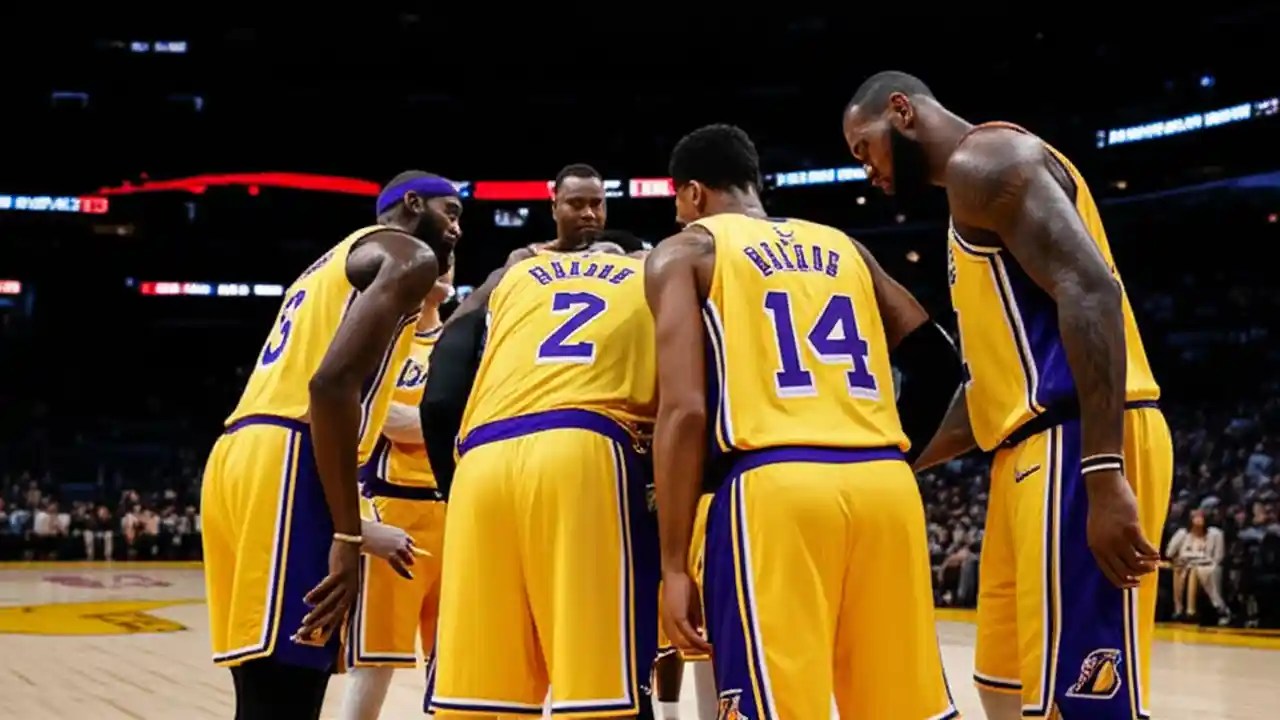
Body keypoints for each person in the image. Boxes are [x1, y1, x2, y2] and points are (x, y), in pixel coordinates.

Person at [842, 71, 1173, 720]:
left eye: (864, 147)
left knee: (1082, 700)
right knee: (1005, 687)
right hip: (1022, 454)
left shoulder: (987, 161)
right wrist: (889, 460)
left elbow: (1093, 292)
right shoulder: (968, 199)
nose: (866, 170)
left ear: (901, 111)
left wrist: (1104, 473)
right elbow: (990, 394)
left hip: (1076, 444)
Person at [645, 123, 962, 719]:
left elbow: (684, 409)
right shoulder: (844, 246)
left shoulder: (686, 251)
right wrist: (894, 455)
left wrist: (672, 565)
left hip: (776, 487)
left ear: (690, 194)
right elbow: (938, 362)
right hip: (884, 487)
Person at [200, 170, 461, 720]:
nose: (458, 230)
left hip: (241, 453)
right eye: (452, 213)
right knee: (291, 687)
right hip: (294, 450)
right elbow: (329, 385)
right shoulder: (412, 257)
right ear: (413, 205)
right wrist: (347, 532)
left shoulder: (328, 263)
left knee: (262, 682)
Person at [423, 234, 659, 719]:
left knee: (481, 701)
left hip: (480, 463)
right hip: (584, 450)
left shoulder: (512, 279)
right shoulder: (651, 276)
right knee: (600, 694)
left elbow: (440, 395)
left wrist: (454, 488)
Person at [339, 267, 454, 720]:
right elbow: (383, 418)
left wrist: (420, 422)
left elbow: (411, 419)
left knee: (454, 657)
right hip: (393, 508)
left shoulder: (466, 339)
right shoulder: (384, 341)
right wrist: (442, 422)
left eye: (451, 261)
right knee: (377, 658)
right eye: (435, 260)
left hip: (455, 512)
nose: (444, 268)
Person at [446, 163, 607, 322]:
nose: (588, 214)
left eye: (596, 204)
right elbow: (467, 313)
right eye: (576, 204)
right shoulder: (524, 258)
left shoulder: (613, 253)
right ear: (554, 208)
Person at [1167, 509, 1229, 624]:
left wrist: (1199, 561)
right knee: (1180, 569)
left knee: (1195, 569)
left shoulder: (1215, 534)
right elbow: (1169, 553)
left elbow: (1218, 558)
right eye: (1195, 517)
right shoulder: (1183, 534)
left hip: (1209, 566)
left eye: (1201, 516)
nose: (1198, 519)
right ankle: (1179, 609)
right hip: (1185, 566)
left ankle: (1191, 611)